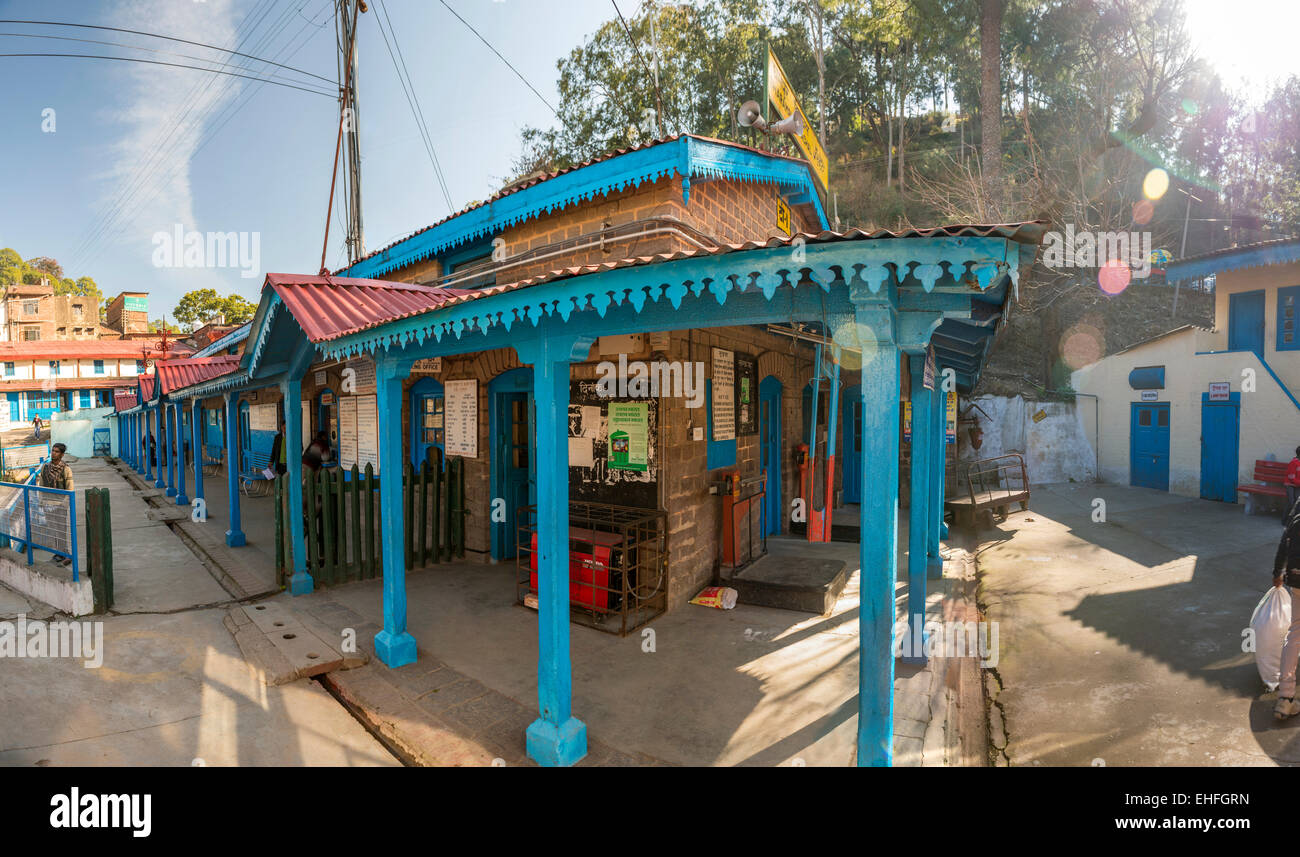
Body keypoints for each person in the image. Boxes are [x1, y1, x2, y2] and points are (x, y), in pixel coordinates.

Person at [36, 443, 74, 568]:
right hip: (47, 504)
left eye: (57, 452)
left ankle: (66, 554)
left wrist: (64, 504)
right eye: (52, 451)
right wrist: (41, 499)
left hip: (59, 505)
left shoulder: (66, 469)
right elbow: (41, 485)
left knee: (61, 530)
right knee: (53, 530)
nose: (54, 453)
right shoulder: (45, 467)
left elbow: (70, 489)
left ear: (62, 454)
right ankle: (58, 553)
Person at [1286, 446, 1300, 521]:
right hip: (1290, 485)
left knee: (1298, 501)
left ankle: (1296, 520)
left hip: (1298, 486)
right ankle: (1286, 520)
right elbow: (1291, 478)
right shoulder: (1293, 463)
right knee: (1291, 502)